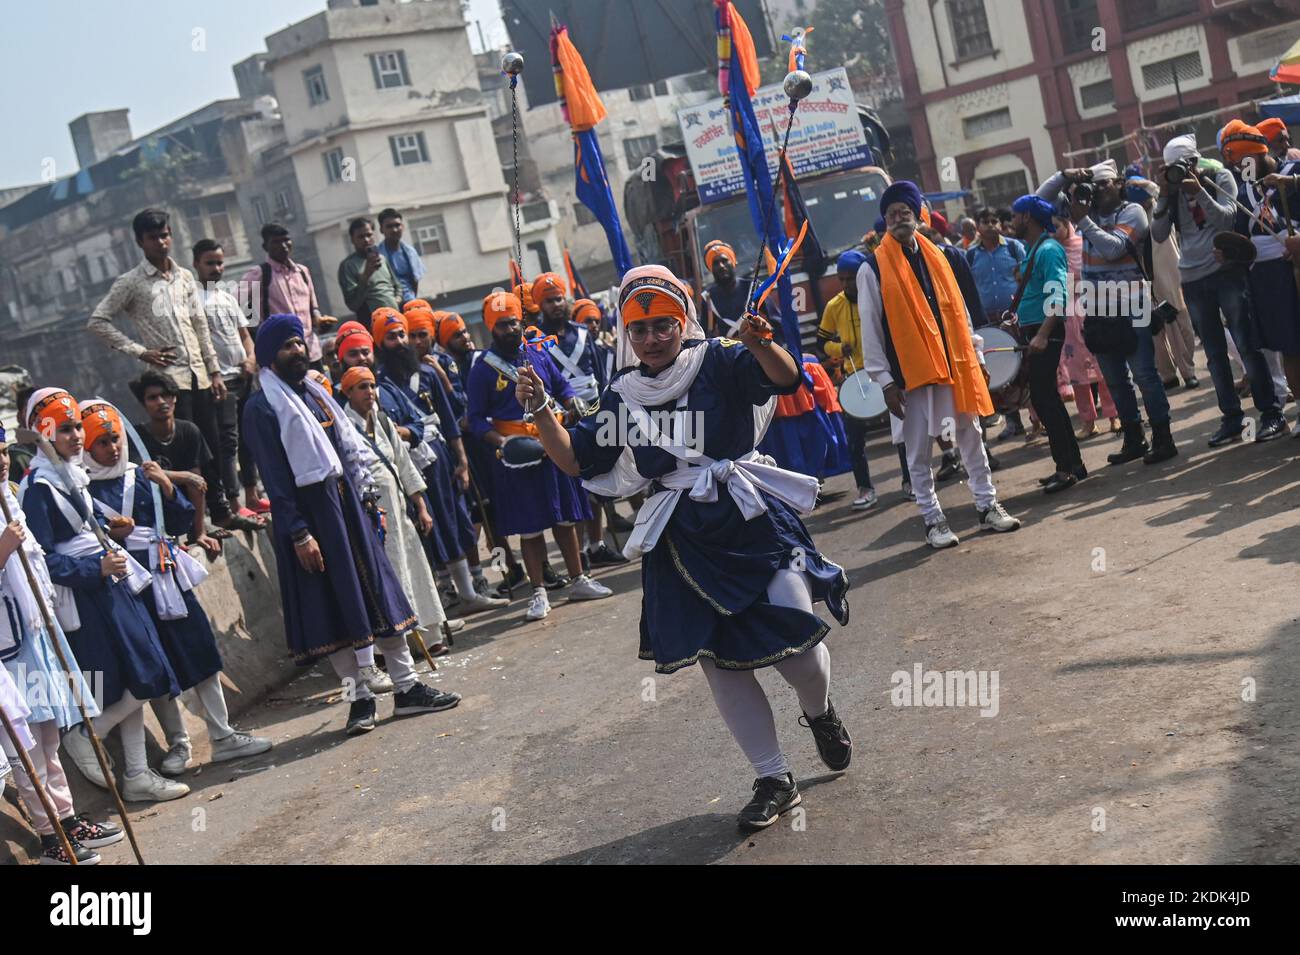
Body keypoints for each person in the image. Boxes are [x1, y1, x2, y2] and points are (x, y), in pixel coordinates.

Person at [520, 263, 852, 831]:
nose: (651, 338)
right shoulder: (620, 397)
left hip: (750, 519)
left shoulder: (722, 359)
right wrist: (538, 410)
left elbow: (786, 379)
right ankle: (774, 778)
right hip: (682, 540)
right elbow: (577, 459)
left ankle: (819, 713)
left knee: (797, 646)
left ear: (683, 320)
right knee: (722, 665)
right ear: (627, 333)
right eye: (639, 328)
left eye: (662, 324)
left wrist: (762, 343)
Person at [241, 314, 461, 735]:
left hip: (349, 511)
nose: (298, 351)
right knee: (332, 614)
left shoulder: (315, 393)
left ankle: (408, 688)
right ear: (271, 356)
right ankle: (358, 700)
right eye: (286, 346)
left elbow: (349, 451)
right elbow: (276, 477)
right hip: (312, 522)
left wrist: (368, 499)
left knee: (380, 597)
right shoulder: (262, 406)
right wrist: (299, 532)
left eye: (298, 343)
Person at [80, 399, 271, 775]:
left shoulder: (140, 474)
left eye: (115, 439)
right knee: (158, 667)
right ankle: (179, 744)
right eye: (101, 443)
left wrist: (168, 487)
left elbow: (182, 517)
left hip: (166, 575)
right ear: (87, 448)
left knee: (199, 651)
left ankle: (222, 734)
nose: (112, 448)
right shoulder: (84, 491)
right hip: (130, 586)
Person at [19, 389, 189, 802]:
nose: (76, 436)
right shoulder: (41, 487)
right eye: (64, 429)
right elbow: (39, 560)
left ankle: (136, 774)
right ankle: (88, 733)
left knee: (142, 674)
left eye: (77, 426)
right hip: (88, 597)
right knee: (132, 677)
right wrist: (93, 567)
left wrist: (112, 536)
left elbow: (84, 531)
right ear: (43, 436)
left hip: (111, 584)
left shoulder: (70, 475)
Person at [856, 181, 1022, 549]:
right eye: (892, 215)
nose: (899, 219)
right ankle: (933, 520)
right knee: (918, 453)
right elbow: (871, 330)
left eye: (905, 212)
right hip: (909, 379)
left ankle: (987, 505)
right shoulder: (872, 269)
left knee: (971, 437)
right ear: (885, 222)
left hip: (954, 368)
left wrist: (977, 358)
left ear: (917, 217)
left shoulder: (940, 258)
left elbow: (960, 315)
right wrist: (884, 382)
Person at [1, 429, 124, 863]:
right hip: (8, 648)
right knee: (26, 744)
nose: (1, 459)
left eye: (1, 450)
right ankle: (50, 834)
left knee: (50, 734)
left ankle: (67, 818)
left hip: (35, 632)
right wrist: (3, 549)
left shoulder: (8, 497)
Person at [466, 292, 613, 621]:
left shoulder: (537, 353)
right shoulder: (483, 369)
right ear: (492, 328)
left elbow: (562, 386)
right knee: (530, 528)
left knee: (565, 518)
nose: (509, 329)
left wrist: (573, 401)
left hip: (552, 443)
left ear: (521, 322)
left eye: (513, 323)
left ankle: (578, 580)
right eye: (502, 325)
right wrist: (500, 442)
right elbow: (474, 418)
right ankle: (538, 593)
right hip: (516, 453)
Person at [89, 209, 235, 530]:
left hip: (198, 372)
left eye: (165, 234)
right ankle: (197, 521)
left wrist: (214, 371)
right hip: (170, 381)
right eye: (154, 237)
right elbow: (98, 321)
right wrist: (142, 352)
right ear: (141, 242)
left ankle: (221, 509)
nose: (162, 242)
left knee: (211, 444)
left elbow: (200, 325)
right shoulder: (132, 282)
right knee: (184, 451)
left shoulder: (184, 276)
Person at [1038, 159, 1179, 463]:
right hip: (1098, 307)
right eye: (1094, 184)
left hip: (1134, 303)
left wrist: (1083, 220)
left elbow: (1113, 248)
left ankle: (1163, 437)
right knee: (1115, 378)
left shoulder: (1132, 212)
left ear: (1118, 184)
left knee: (1145, 374)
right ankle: (1133, 438)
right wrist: (1065, 177)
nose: (1099, 189)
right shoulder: (1081, 211)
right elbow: (1038, 200)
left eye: (1105, 183)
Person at [368, 309, 507, 614]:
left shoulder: (429, 373)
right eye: (391, 336)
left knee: (456, 520)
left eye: (402, 334)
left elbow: (450, 422)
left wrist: (462, 461)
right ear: (380, 342)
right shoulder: (379, 385)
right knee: (427, 528)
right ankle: (442, 596)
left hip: (442, 458)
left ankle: (471, 591)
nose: (401, 341)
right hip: (410, 463)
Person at [1150, 134, 1285, 446]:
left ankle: (1270, 412)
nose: (1179, 172)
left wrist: (1200, 191)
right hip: (1193, 278)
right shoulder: (1170, 192)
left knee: (1246, 343)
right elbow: (1157, 234)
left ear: (1195, 162)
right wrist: (1163, 195)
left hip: (1225, 273)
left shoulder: (1218, 177)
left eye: (1183, 166)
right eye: (1172, 168)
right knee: (1213, 355)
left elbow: (1226, 221)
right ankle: (1232, 418)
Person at [338, 366, 456, 657]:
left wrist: (421, 505)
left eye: (372, 386)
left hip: (401, 512)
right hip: (374, 516)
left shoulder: (383, 420)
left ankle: (430, 638)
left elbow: (404, 463)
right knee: (389, 578)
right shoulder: (343, 428)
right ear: (349, 392)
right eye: (362, 387)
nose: (370, 393)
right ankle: (395, 646)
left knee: (416, 569)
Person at [532, 273, 626, 569]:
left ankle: (597, 544)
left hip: (592, 409)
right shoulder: (535, 341)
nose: (556, 304)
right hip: (560, 416)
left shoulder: (583, 334)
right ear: (539, 305)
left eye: (559, 298)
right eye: (549, 301)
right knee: (574, 484)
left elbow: (599, 375)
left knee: (596, 480)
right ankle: (581, 548)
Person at [1010, 195, 1085, 492]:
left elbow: (1060, 294)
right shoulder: (1036, 249)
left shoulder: (1049, 249)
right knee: (1047, 398)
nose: (1011, 222)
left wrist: (1042, 333)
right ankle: (1073, 465)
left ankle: (1065, 469)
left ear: (1027, 217)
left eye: (1015, 216)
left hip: (1045, 332)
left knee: (1044, 399)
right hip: (1036, 330)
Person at [1223, 120, 1300, 404]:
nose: (1240, 168)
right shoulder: (1244, 194)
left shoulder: (1293, 173)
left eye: (1244, 160)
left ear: (1257, 153)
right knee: (1291, 347)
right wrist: (1230, 251)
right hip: (1270, 280)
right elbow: (1242, 240)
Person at [192, 239, 265, 529]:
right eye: (210, 263)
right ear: (197, 263)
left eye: (220, 263)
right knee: (228, 443)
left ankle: (253, 494)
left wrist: (251, 358)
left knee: (251, 438)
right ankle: (233, 502)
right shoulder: (192, 299)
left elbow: (245, 334)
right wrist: (214, 375)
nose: (216, 268)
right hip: (221, 381)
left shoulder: (228, 296)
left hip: (244, 375)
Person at [817, 249, 899, 510]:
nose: (845, 284)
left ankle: (910, 482)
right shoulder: (834, 306)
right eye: (841, 279)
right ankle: (865, 488)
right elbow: (822, 341)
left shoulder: (880, 296)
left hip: (884, 375)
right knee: (854, 439)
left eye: (850, 278)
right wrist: (838, 350)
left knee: (902, 432)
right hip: (854, 380)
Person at [128, 371, 233, 559]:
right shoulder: (136, 437)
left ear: (175, 398)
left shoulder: (189, 431)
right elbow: (142, 473)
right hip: (151, 510)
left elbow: (196, 481)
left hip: (182, 507)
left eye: (165, 395)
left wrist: (199, 532)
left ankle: (198, 530)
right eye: (153, 398)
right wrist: (183, 476)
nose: (161, 401)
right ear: (144, 404)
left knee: (197, 481)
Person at [1123, 177, 1199, 391]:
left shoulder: (1161, 211)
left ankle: (1188, 372)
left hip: (1171, 278)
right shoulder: (1131, 220)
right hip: (1146, 281)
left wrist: (1143, 184)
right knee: (1156, 330)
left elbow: (1159, 192)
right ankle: (1168, 375)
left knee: (1180, 326)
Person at [1055, 218, 1120, 438]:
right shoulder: (1051, 251)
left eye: (1057, 226)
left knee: (1102, 367)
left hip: (1090, 309)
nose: (1054, 232)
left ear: (1067, 224)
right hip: (1067, 317)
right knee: (1076, 373)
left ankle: (1114, 415)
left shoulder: (1083, 243)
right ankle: (1088, 422)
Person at [243, 222, 329, 380]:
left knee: (320, 397)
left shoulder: (302, 272)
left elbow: (313, 308)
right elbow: (237, 306)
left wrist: (319, 320)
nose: (283, 245)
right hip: (284, 358)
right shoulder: (259, 274)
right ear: (265, 246)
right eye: (276, 242)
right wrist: (258, 333)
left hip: (311, 350)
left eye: (286, 240)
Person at [338, 218, 403, 322]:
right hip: (371, 321)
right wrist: (366, 276)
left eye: (369, 235)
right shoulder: (348, 266)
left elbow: (397, 286)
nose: (366, 240)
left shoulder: (382, 259)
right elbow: (353, 304)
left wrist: (396, 300)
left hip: (395, 317)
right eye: (361, 237)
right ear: (352, 240)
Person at [699, 240, 750, 337]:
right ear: (711, 269)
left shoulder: (753, 288)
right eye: (715, 263)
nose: (721, 266)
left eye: (724, 260)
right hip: (729, 351)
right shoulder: (708, 298)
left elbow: (774, 325)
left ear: (733, 261)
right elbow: (706, 335)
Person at [376, 209, 425, 304]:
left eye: (397, 225)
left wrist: (411, 299)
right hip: (388, 306)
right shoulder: (377, 255)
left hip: (410, 302)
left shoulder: (410, 252)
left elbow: (415, 280)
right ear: (381, 229)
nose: (394, 230)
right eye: (389, 226)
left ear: (402, 227)